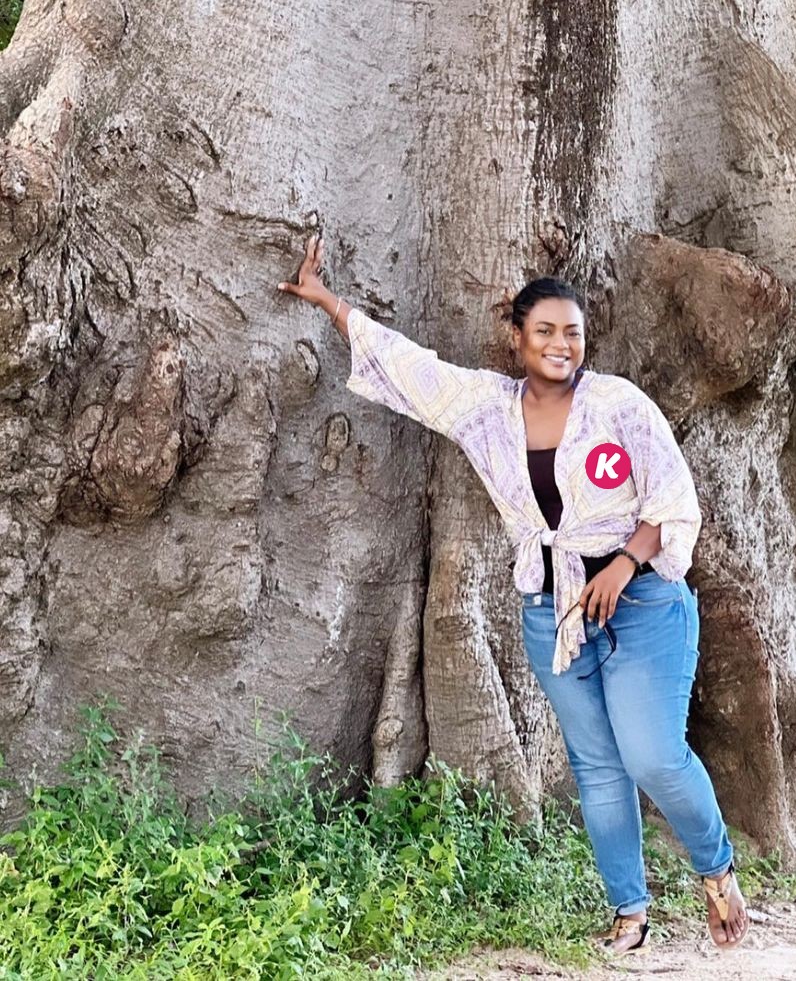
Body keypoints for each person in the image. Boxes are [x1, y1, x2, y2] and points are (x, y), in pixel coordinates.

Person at [278, 233, 749, 953]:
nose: (561, 345)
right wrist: (325, 300)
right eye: (546, 332)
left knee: (652, 754)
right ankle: (630, 911)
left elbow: (672, 497)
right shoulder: (487, 408)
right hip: (551, 610)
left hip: (645, 603)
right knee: (595, 766)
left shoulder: (619, 405)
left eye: (574, 333)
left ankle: (716, 871)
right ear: (517, 338)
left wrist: (624, 563)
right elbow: (411, 370)